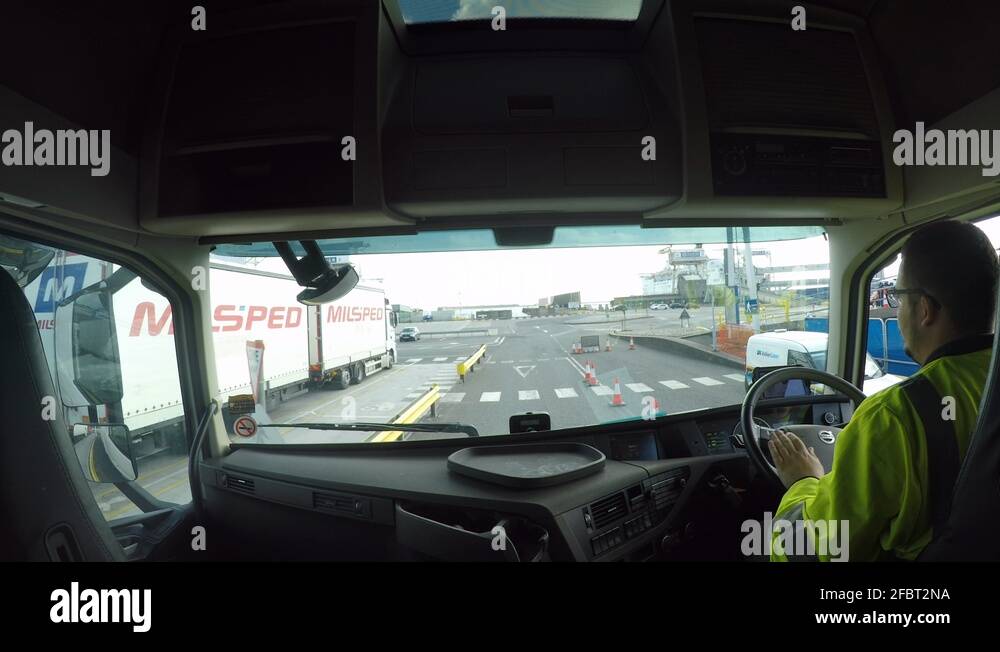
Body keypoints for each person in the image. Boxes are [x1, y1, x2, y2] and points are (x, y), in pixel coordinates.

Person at [769, 220, 998, 561]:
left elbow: (813, 550)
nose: (896, 306)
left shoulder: (892, 417)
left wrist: (803, 480)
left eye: (898, 295)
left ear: (924, 309)